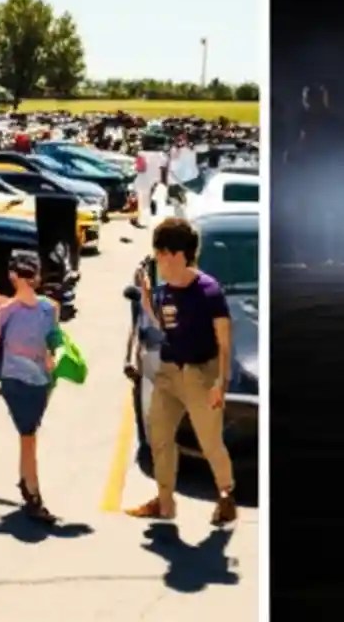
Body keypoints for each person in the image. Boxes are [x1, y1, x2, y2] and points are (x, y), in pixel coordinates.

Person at [125, 217, 237, 525]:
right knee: (159, 435)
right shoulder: (163, 291)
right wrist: (146, 295)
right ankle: (164, 502)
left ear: (176, 255)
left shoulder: (208, 291)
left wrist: (220, 383)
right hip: (170, 373)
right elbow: (164, 324)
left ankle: (226, 495)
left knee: (210, 441)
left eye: (161, 253)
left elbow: (224, 341)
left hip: (202, 374)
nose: (158, 259)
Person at [0, 252, 60, 524]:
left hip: (41, 380)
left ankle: (26, 483)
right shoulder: (4, 313)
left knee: (29, 436)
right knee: (28, 437)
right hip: (17, 381)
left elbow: (53, 340)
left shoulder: (48, 308)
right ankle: (33, 495)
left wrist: (54, 362)